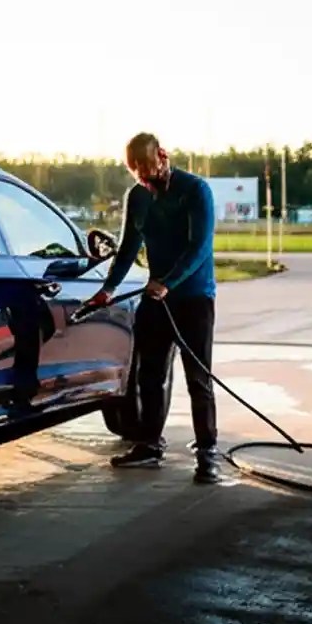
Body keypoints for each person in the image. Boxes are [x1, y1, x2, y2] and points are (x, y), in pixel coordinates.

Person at [87, 132, 220, 484]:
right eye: (136, 171)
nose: (144, 176)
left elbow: (199, 248)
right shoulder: (139, 196)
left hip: (193, 296)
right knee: (149, 373)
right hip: (156, 296)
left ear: (162, 155)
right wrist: (108, 288)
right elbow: (129, 247)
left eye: (147, 167)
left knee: (198, 378)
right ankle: (148, 445)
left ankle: (207, 451)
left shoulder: (196, 191)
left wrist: (168, 282)